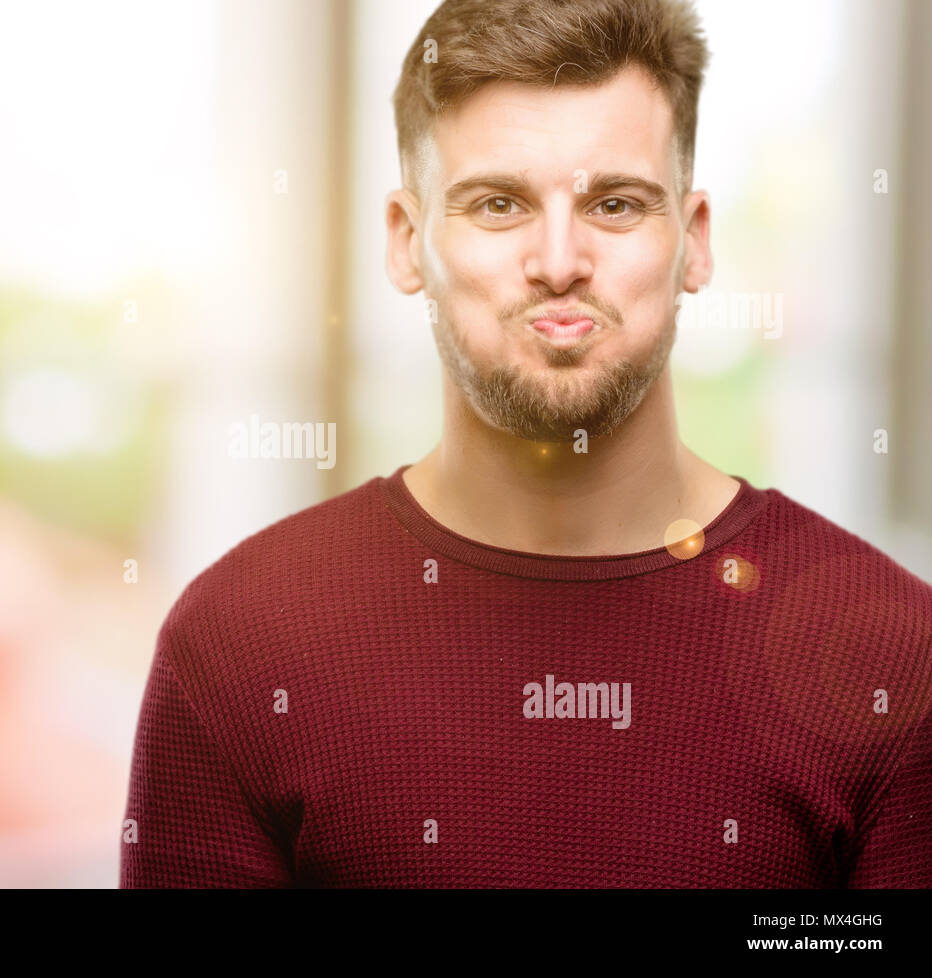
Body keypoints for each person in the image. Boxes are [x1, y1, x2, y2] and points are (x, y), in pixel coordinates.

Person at [120, 0, 932, 887]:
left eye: (615, 204)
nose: (557, 260)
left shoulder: (895, 654)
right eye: (498, 203)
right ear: (406, 243)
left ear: (693, 243)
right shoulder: (239, 643)